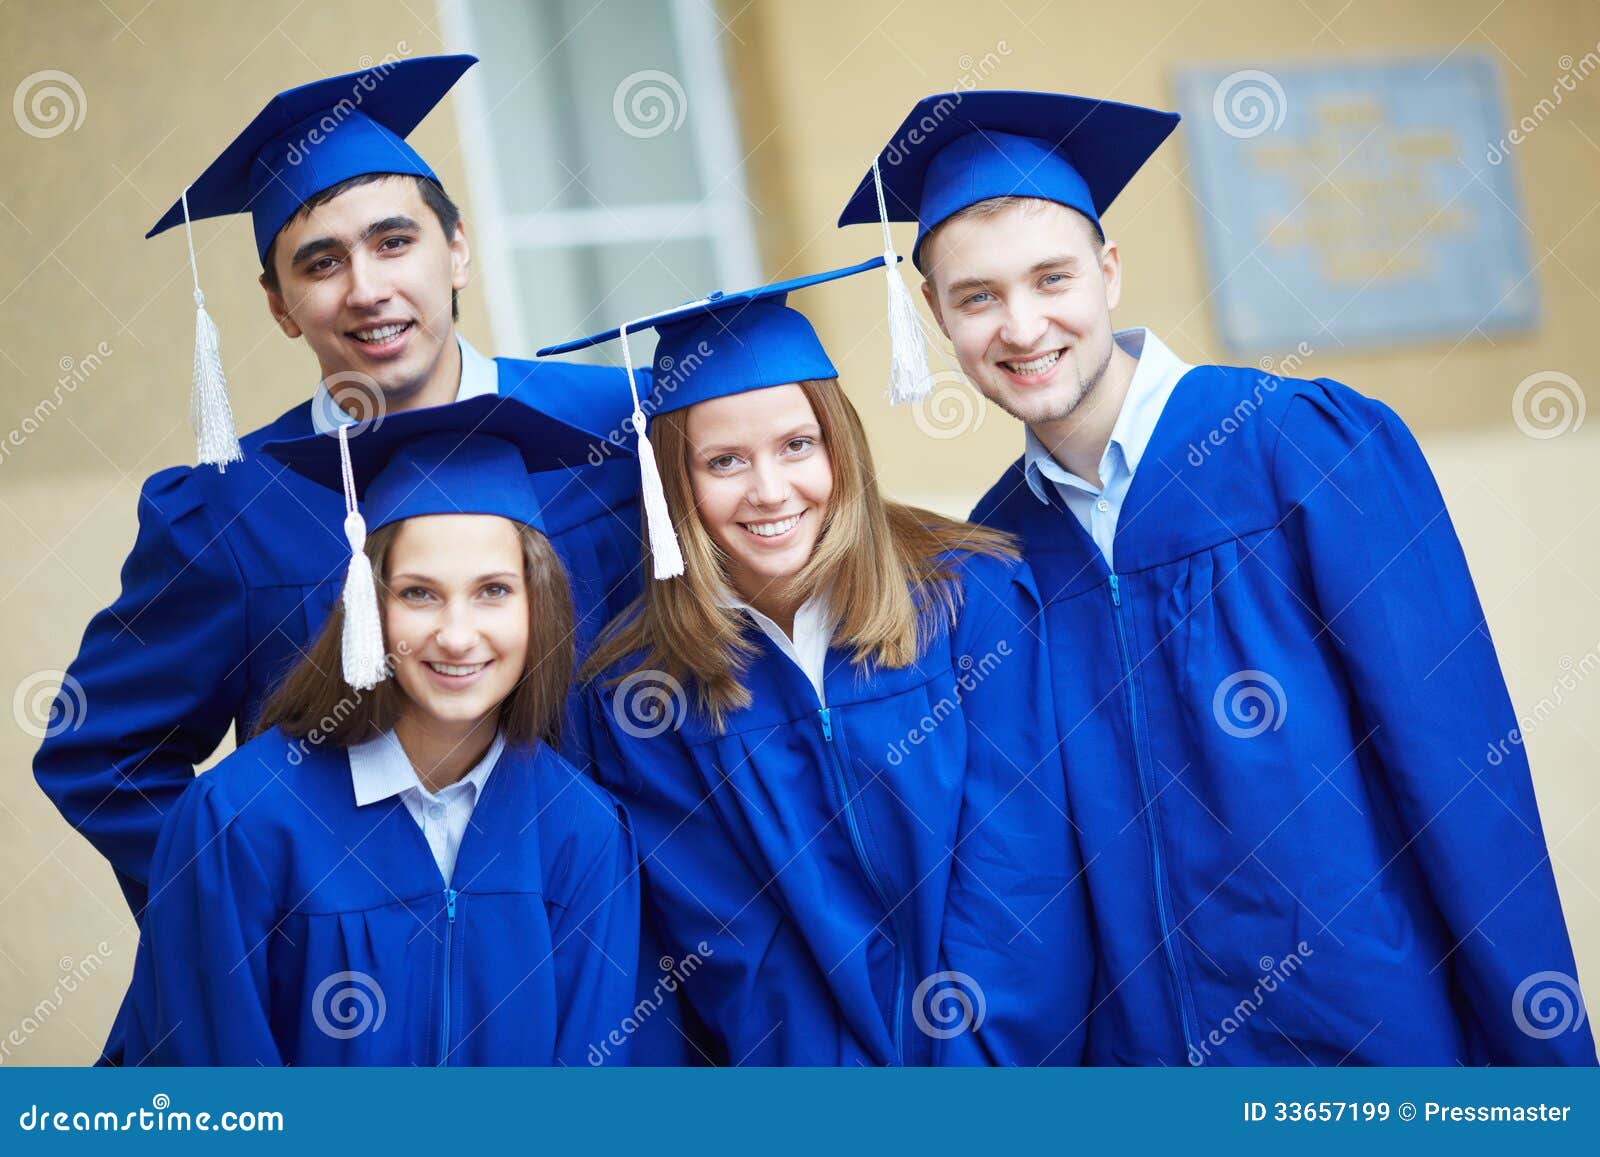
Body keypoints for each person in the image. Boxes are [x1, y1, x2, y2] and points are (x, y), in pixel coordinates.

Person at [840, 89, 1595, 1065]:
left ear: (1109, 272)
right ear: (937, 316)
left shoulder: (1297, 447)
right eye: (976, 295)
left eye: (1050, 278)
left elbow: (1453, 767)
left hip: (1367, 1039)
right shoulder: (996, 555)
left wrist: (1539, 1065)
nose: (1021, 326)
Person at [34, 55, 646, 926]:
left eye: (395, 241)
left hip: (595, 956)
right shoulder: (232, 507)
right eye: (321, 263)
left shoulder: (616, 432)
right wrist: (271, 908)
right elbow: (104, 755)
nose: (368, 289)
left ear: (458, 248)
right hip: (363, 995)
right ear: (280, 303)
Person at [541, 258, 1094, 1066]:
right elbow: (737, 947)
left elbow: (1021, 876)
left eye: (798, 444)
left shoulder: (972, 599)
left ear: (842, 448)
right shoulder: (643, 697)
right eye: (723, 461)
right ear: (675, 486)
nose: (770, 489)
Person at [119, 395, 638, 1066]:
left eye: (493, 590)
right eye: (419, 592)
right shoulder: (241, 822)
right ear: (367, 603)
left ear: (540, 603)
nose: (457, 634)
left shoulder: (582, 833)